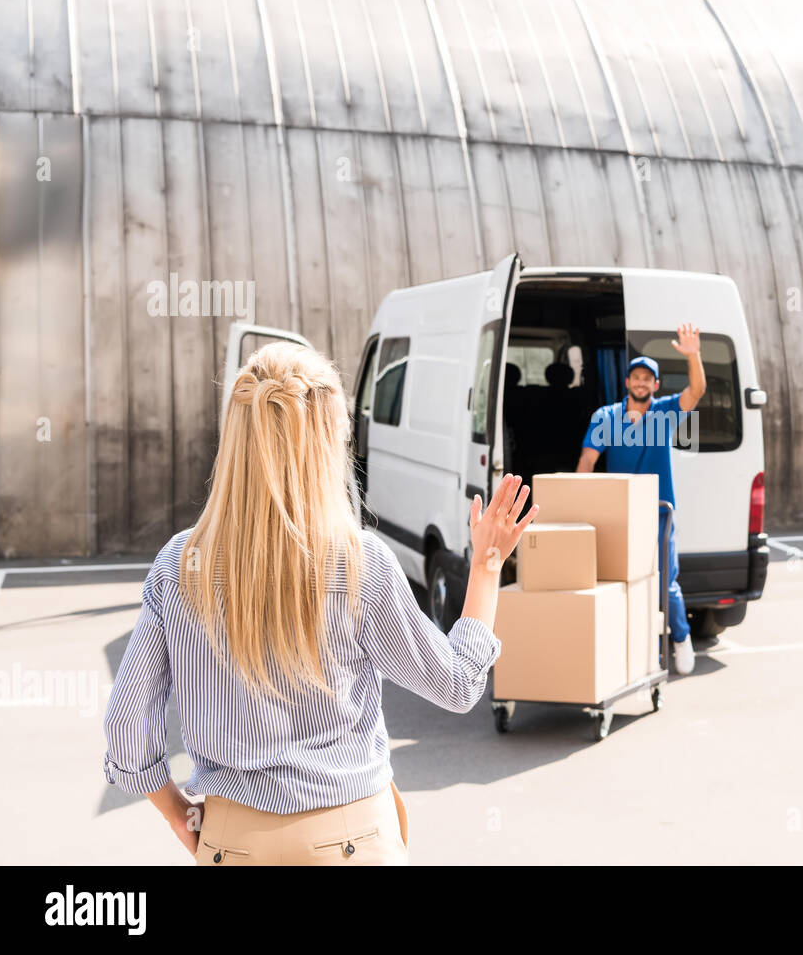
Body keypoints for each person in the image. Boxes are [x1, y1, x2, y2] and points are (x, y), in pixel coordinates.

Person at [102, 341, 538, 864]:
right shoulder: (360, 563)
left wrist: (181, 816)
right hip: (353, 838)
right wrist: (488, 565)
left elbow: (127, 729)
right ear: (327, 445)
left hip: (229, 842)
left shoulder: (179, 565)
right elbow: (457, 684)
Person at [575, 323, 706, 674]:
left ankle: (681, 638)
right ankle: (627, 647)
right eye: (636, 376)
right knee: (619, 579)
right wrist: (577, 503)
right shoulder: (606, 416)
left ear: (656, 385)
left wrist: (693, 354)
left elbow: (696, 390)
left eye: (648, 378)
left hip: (660, 513)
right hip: (619, 514)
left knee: (667, 580)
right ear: (628, 382)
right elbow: (588, 459)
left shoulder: (665, 412)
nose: (641, 382)